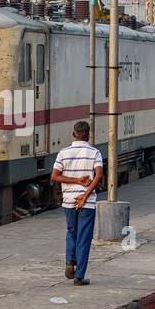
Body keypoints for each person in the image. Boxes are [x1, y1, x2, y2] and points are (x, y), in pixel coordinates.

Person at [51, 120, 104, 286]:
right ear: (88, 135)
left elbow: (54, 176)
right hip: (86, 204)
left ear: (73, 134)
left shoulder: (63, 153)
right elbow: (99, 175)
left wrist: (74, 180)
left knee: (71, 232)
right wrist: (85, 195)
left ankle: (69, 263)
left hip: (68, 202)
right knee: (84, 238)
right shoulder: (94, 153)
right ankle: (79, 277)